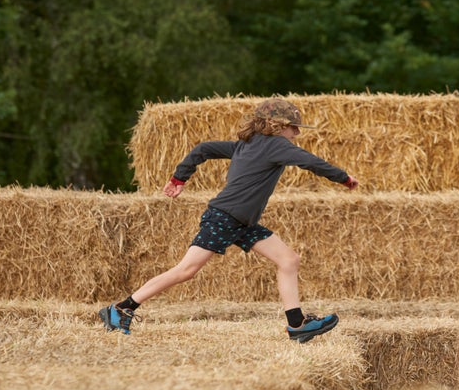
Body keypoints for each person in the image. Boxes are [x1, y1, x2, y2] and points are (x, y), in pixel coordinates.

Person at [99, 97, 359, 342]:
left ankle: (297, 325)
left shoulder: (244, 145)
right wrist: (344, 178)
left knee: (288, 259)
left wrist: (180, 178)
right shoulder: (277, 145)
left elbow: (202, 149)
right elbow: (311, 162)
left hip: (242, 223)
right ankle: (121, 308)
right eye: (293, 127)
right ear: (277, 126)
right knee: (186, 270)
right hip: (224, 218)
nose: (297, 133)